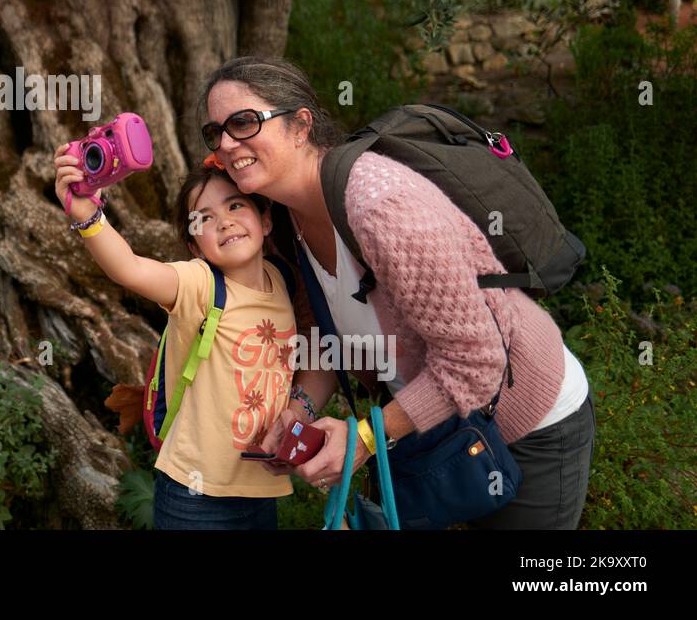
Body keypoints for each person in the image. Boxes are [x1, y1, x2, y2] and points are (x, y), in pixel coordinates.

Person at [200, 57, 595, 529]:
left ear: (300, 124)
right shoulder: (286, 220)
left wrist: (366, 437)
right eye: (215, 132)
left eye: (243, 123)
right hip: (439, 429)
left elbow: (475, 361)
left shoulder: (380, 207)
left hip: (528, 423)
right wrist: (298, 412)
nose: (226, 145)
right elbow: (329, 340)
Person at [54, 151, 298, 529]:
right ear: (195, 248)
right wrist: (86, 215)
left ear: (265, 219)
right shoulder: (199, 284)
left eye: (236, 205)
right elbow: (129, 269)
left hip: (259, 488)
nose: (225, 222)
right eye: (205, 218)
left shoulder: (282, 278)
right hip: (193, 496)